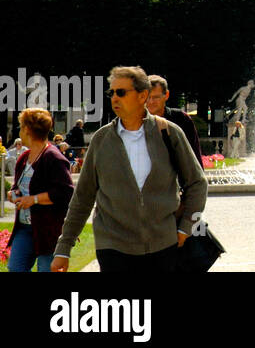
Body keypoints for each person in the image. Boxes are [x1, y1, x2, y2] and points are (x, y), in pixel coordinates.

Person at [52, 65, 207, 272]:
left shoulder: (169, 133)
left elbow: (197, 182)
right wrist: (64, 247)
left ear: (143, 95)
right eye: (112, 92)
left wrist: (186, 226)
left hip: (163, 245)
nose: (114, 98)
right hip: (113, 247)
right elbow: (83, 197)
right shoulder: (101, 139)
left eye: (121, 92)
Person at [6, 108, 74, 272]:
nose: (20, 131)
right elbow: (19, 185)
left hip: (48, 231)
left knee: (46, 269)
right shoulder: (23, 157)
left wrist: (34, 199)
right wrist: (13, 193)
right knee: (15, 268)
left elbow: (65, 193)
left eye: (21, 127)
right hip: (24, 227)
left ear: (28, 130)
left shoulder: (53, 158)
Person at [147, 74, 203, 164]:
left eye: (156, 97)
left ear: (166, 95)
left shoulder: (182, 119)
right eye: (147, 97)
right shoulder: (136, 122)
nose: (151, 101)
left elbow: (194, 155)